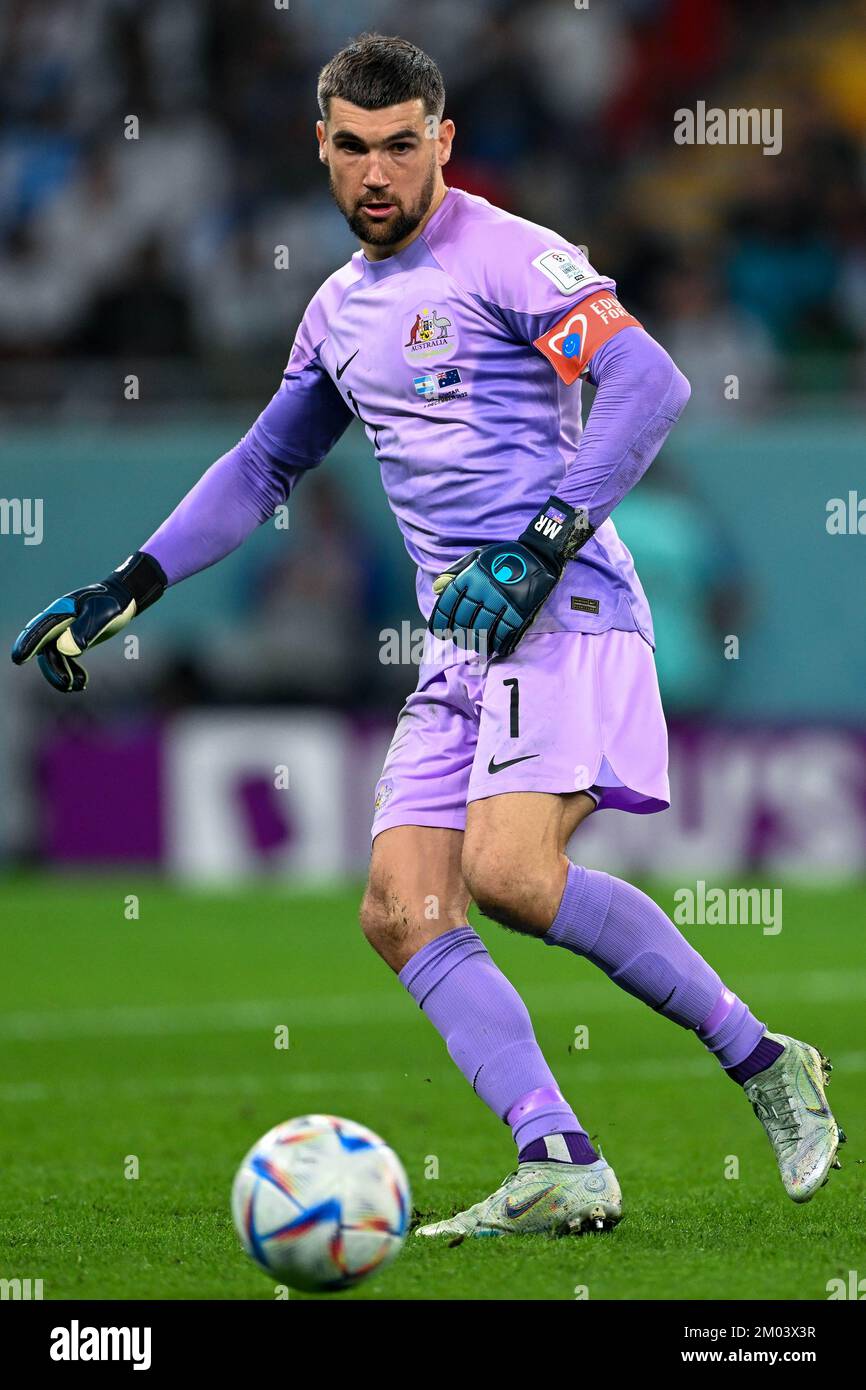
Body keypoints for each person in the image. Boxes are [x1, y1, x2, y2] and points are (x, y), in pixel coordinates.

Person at [12, 33, 844, 1237]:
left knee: (507, 874)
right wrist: (127, 581)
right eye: (353, 148)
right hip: (459, 637)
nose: (377, 173)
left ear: (441, 143)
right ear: (322, 148)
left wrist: (541, 540)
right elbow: (261, 467)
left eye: (402, 145)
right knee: (402, 908)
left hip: (560, 604)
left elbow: (648, 383)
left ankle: (765, 1060)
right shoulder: (338, 311)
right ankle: (557, 1156)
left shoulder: (504, 253)